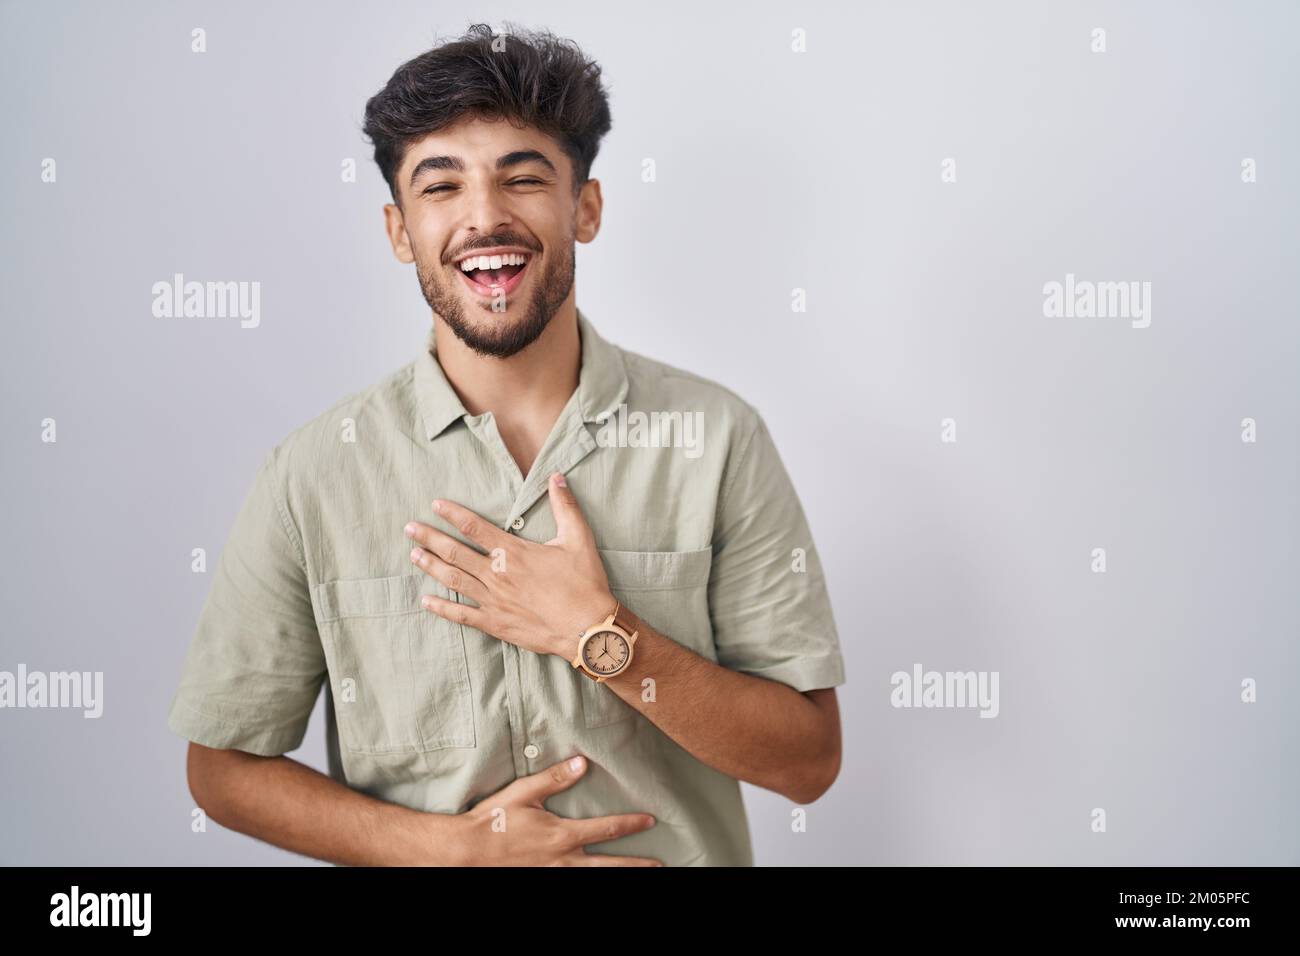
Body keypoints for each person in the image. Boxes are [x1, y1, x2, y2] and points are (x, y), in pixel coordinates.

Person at [168, 22, 845, 867]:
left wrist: (601, 636)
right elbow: (222, 767)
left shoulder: (717, 438)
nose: (485, 216)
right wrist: (451, 850)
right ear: (398, 230)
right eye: (441, 187)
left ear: (584, 209)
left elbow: (808, 761)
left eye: (523, 178)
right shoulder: (312, 472)